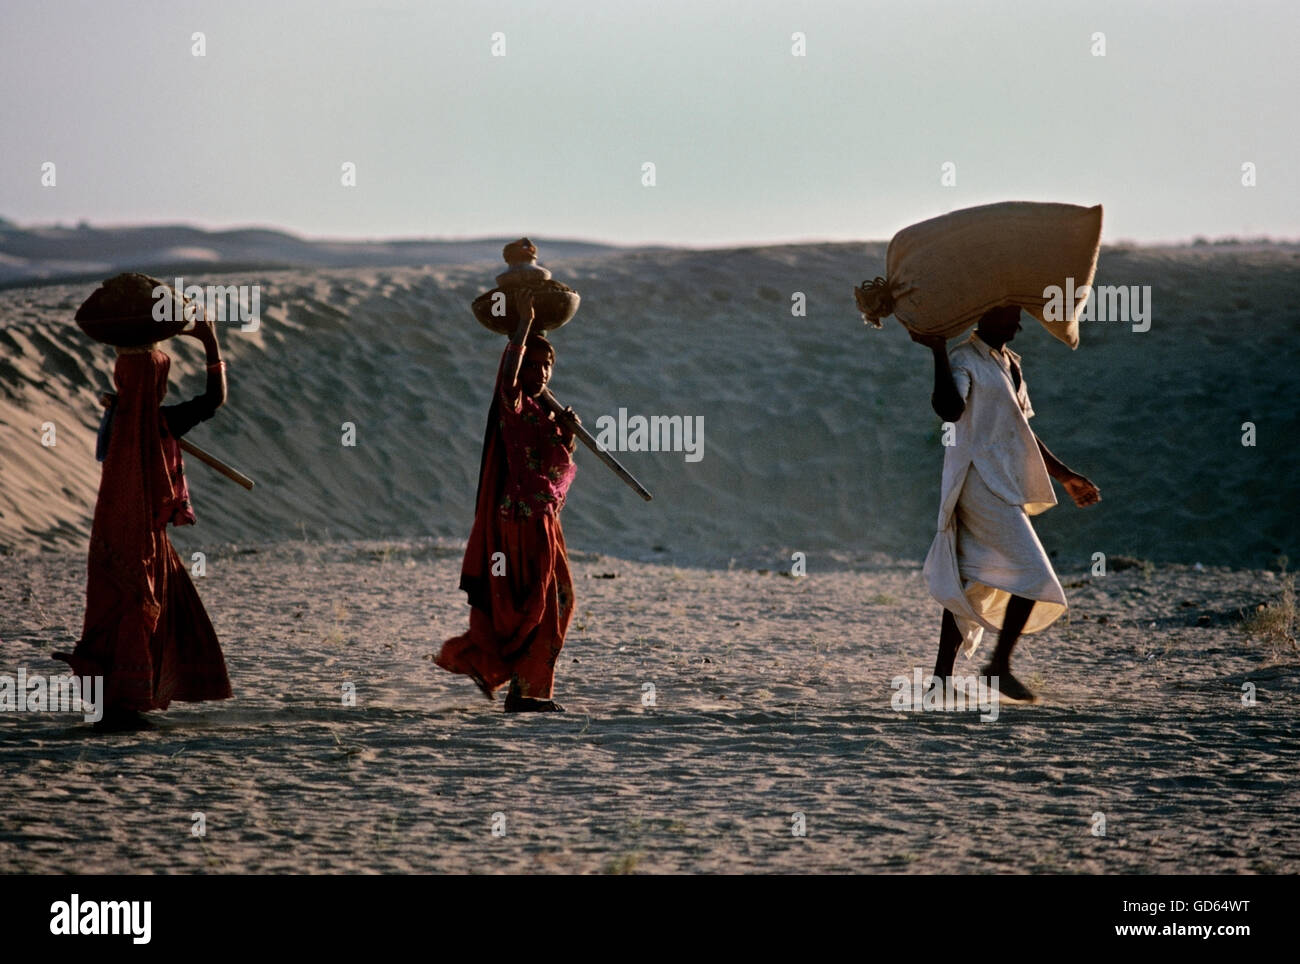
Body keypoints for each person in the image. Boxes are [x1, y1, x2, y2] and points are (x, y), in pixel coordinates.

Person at [56, 292, 232, 731]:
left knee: (111, 607)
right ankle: (130, 704)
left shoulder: (117, 422)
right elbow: (213, 400)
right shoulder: (163, 421)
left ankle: (112, 704)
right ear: (157, 383)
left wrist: (119, 410)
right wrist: (209, 342)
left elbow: (104, 452)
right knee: (142, 606)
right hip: (145, 536)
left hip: (110, 533)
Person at [912, 305, 1100, 703]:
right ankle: (997, 667)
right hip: (977, 481)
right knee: (1033, 573)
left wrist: (1066, 476)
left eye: (1017, 315)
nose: (1016, 322)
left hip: (1003, 482)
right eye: (1007, 314)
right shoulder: (964, 358)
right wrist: (938, 351)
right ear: (983, 317)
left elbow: (1023, 431)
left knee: (973, 578)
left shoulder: (1010, 363)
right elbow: (948, 409)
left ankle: (941, 682)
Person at [436, 287, 579, 712]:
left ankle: (522, 686)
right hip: (517, 521)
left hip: (543, 522)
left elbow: (553, 472)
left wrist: (567, 432)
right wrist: (522, 325)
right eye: (532, 365)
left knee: (558, 600)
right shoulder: (512, 403)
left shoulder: (542, 413)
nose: (540, 373)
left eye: (547, 366)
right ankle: (523, 691)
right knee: (533, 605)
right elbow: (509, 378)